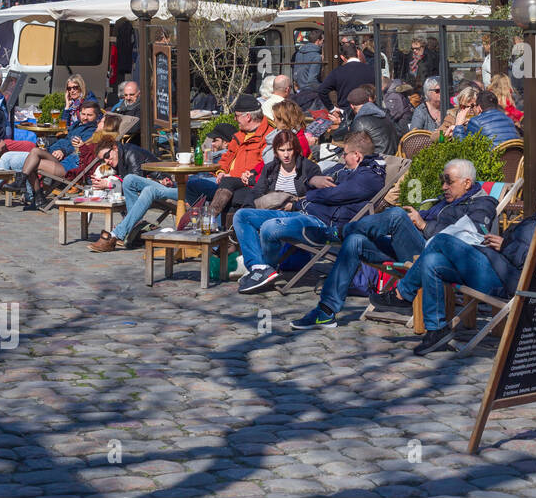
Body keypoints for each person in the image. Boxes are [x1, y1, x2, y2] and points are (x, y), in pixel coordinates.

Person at [371, 174, 536, 354]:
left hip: (504, 280)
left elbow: (533, 259)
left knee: (443, 240)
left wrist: (504, 245)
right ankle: (436, 330)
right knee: (432, 262)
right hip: (493, 265)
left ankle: (402, 294)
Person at [289, 158, 498, 329]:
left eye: (448, 182)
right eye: (443, 181)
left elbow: (466, 237)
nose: (443, 186)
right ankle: (325, 311)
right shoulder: (446, 202)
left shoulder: (483, 204)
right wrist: (415, 220)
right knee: (356, 241)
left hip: (434, 259)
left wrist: (423, 225)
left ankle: (338, 232)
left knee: (396, 215)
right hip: (413, 250)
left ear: (467, 183)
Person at [235, 131, 384, 294]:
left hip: (323, 224)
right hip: (305, 213)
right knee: (243, 216)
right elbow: (313, 181)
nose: (343, 157)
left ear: (357, 156)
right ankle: (260, 268)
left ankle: (266, 270)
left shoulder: (370, 177)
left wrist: (306, 197)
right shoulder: (343, 168)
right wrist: (313, 180)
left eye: (345, 153)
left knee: (270, 227)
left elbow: (335, 195)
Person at [186, 95, 273, 213]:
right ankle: (198, 218)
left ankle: (209, 220)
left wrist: (232, 175)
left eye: (236, 116)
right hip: (225, 181)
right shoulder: (240, 135)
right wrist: (221, 171)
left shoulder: (267, 137)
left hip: (246, 183)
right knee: (192, 185)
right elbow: (226, 158)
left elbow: (259, 166)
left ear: (247, 117)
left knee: (230, 189)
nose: (234, 120)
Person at [87, 137, 168, 252]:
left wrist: (110, 184)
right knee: (118, 188)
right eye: (102, 160)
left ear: (114, 148)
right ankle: (129, 230)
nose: (106, 161)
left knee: (124, 184)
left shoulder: (131, 153)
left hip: (162, 185)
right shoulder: (119, 158)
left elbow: (134, 182)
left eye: (106, 156)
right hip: (148, 189)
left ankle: (120, 233)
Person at [16, 100, 102, 201]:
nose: (85, 117)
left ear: (97, 116)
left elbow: (75, 147)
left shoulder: (91, 131)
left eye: (89, 115)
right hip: (60, 158)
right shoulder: (78, 125)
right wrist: (49, 149)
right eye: (83, 114)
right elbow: (66, 141)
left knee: (31, 161)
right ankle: (33, 193)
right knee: (34, 153)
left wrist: (63, 151)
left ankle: (34, 194)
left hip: (67, 165)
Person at [317, 40, 375, 113]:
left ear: (342, 57)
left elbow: (321, 90)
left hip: (346, 112)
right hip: (368, 110)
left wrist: (332, 109)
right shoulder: (370, 70)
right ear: (357, 53)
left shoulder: (338, 72)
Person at [344, 86, 398, 156]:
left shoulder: (360, 122)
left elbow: (352, 146)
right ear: (368, 100)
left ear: (352, 106)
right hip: (392, 159)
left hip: (376, 162)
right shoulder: (383, 113)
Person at [451, 90, 520, 144]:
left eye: (473, 106)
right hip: (515, 160)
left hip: (492, 160)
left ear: (479, 107)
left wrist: (458, 126)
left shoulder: (476, 122)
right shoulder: (509, 120)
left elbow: (463, 148)